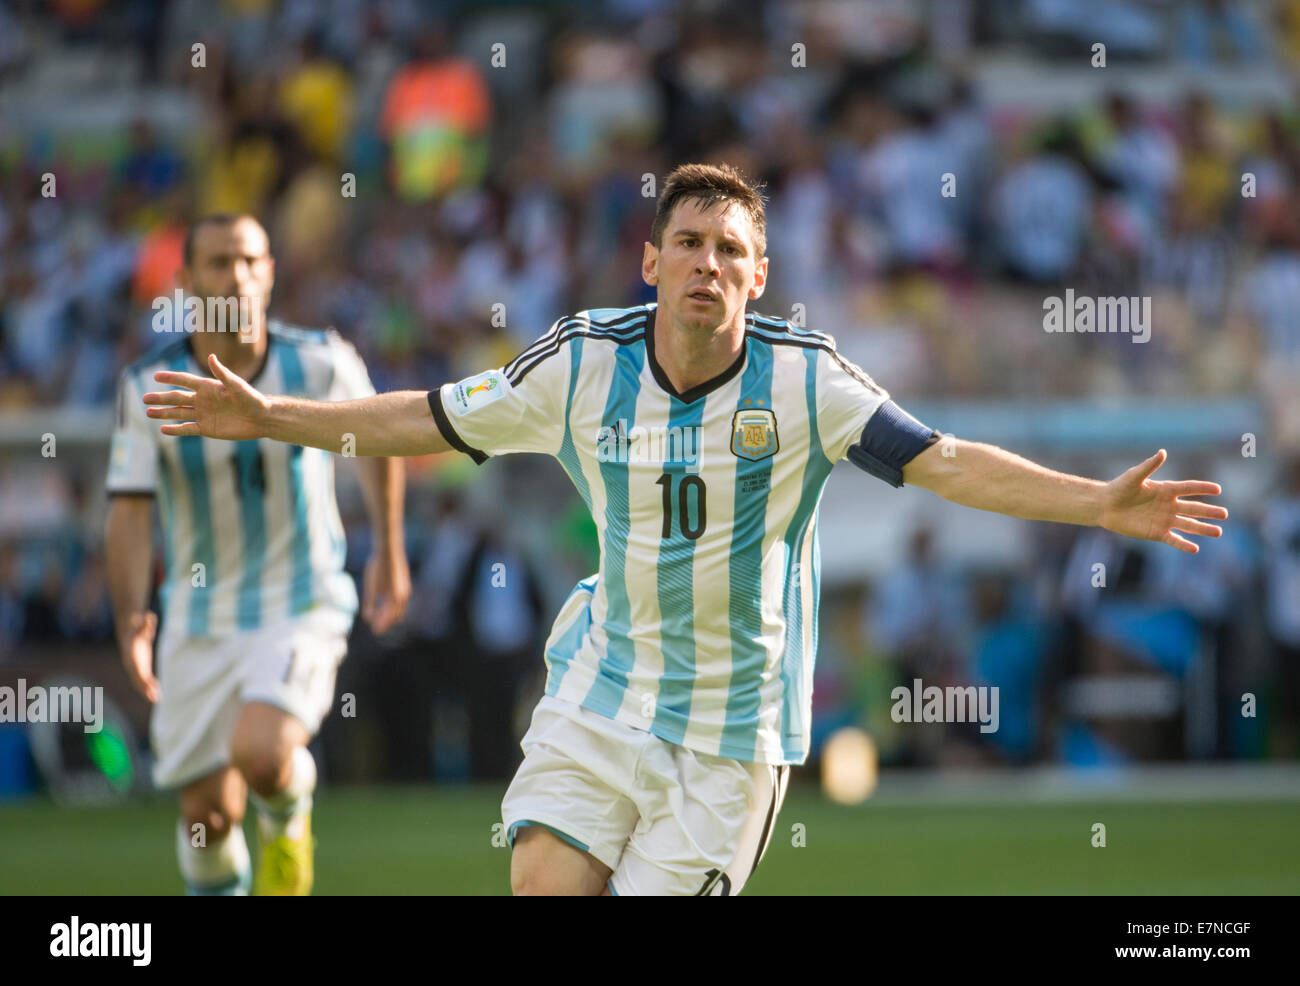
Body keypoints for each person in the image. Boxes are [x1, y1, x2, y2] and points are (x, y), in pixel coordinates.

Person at [141, 164, 1227, 895]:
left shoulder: (809, 382)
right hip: (604, 689)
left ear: (760, 276)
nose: (708, 261)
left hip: (730, 729)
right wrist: (273, 414)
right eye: (689, 241)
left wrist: (1094, 500)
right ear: (650, 262)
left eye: (730, 249)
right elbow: (420, 418)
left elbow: (946, 460)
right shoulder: (577, 360)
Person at [106, 213, 410, 895]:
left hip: (301, 600)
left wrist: (389, 549)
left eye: (249, 260)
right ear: (185, 282)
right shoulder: (146, 387)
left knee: (262, 752)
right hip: (197, 615)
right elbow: (128, 508)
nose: (236, 275)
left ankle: (290, 811)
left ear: (270, 272)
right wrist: (132, 617)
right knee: (206, 820)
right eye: (217, 262)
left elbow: (381, 438)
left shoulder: (322, 361)